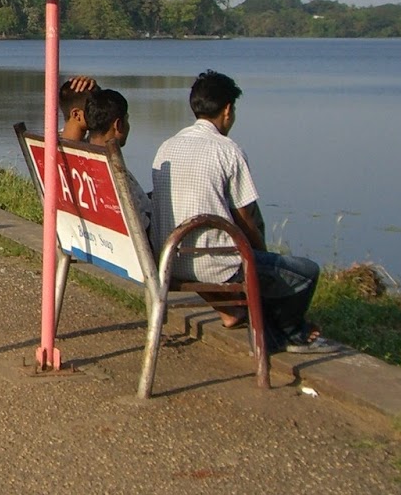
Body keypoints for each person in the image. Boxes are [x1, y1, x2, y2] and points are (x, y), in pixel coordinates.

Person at [150, 70, 333, 353]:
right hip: (217, 266)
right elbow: (246, 218)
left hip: (171, 260)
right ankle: (289, 335)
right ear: (227, 110)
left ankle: (237, 314)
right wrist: (263, 256)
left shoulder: (166, 147)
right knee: (306, 272)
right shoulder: (228, 150)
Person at [82, 87, 150, 236]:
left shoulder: (82, 160)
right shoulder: (113, 170)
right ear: (118, 125)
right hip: (136, 244)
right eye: (127, 119)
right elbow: (145, 227)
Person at [59, 75, 100, 142]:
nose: (99, 111)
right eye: (93, 108)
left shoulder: (93, 142)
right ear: (76, 114)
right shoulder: (49, 144)